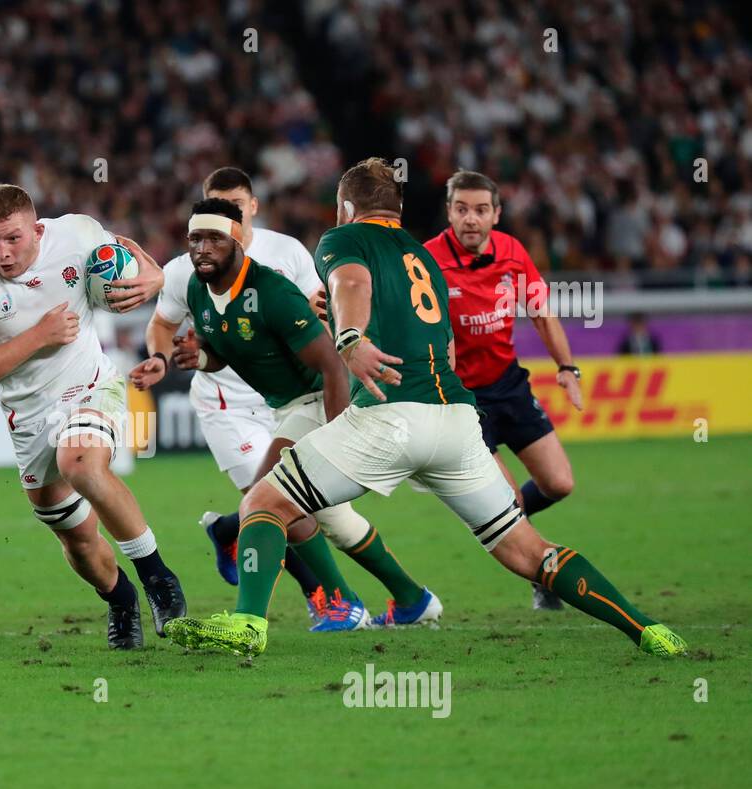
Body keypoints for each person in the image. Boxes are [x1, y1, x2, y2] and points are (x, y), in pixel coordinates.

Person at [165, 158, 685, 659]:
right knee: (529, 551)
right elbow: (444, 345)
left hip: (391, 418)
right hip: (457, 422)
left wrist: (349, 337)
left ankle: (249, 624)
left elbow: (352, 283)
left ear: (346, 207)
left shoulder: (343, 239)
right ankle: (648, 629)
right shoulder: (425, 256)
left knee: (264, 503)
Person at [141, 196, 442, 632]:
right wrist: (200, 358)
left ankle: (308, 608)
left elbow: (334, 363)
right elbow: (224, 351)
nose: (202, 248)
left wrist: (341, 435)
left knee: (261, 503)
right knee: (333, 521)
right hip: (292, 407)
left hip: (322, 400)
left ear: (238, 239)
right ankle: (413, 600)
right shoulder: (196, 289)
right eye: (195, 238)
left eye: (213, 238)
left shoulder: (271, 291)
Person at [0, 184, 185, 650]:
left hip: (92, 387)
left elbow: (132, 256)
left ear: (36, 228)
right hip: (30, 417)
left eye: (12, 238)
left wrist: (155, 279)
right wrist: (40, 336)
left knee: (81, 462)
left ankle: (157, 576)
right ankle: (120, 599)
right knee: (77, 540)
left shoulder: (75, 233)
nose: (0, 251)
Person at [423, 170, 583, 612]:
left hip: (510, 384)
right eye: (461, 209)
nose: (470, 219)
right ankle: (545, 572)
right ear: (449, 212)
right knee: (509, 501)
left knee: (559, 483)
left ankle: (513, 532)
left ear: (496, 213)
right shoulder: (427, 261)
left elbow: (542, 313)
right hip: (464, 401)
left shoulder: (512, 251)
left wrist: (566, 368)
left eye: (480, 209)